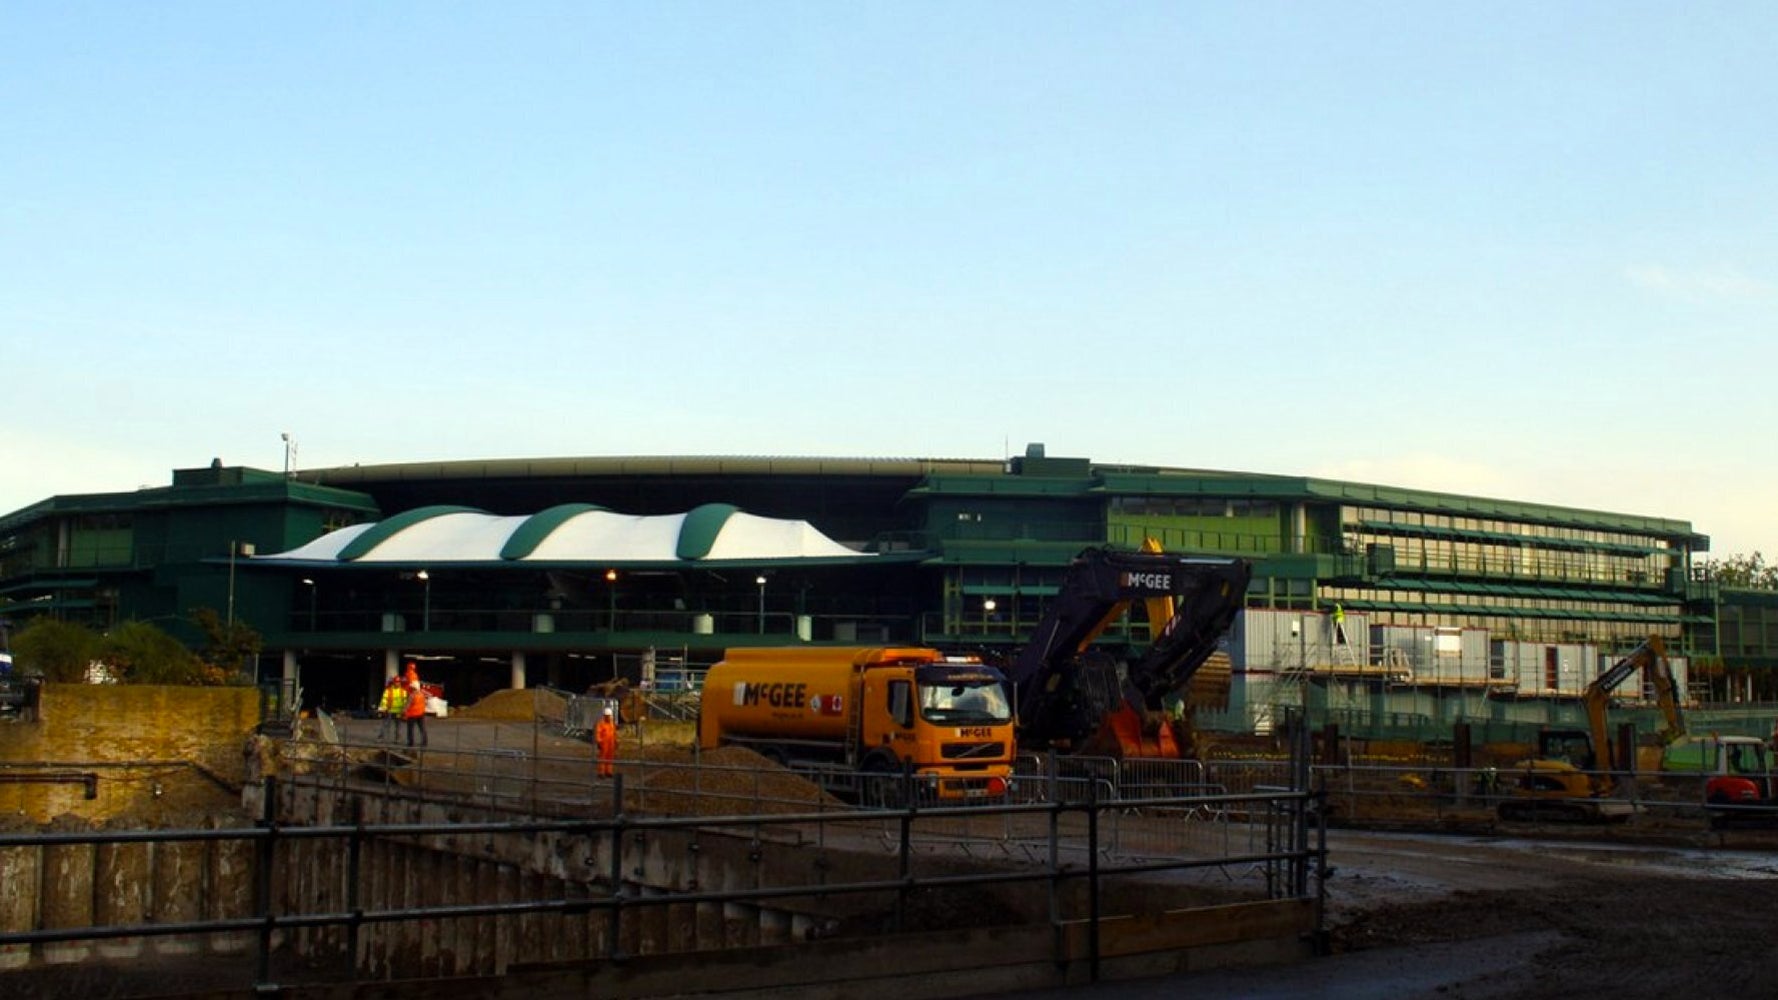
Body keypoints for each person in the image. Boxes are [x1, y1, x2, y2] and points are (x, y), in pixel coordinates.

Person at [376, 675, 406, 742]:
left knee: (398, 727)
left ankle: (397, 739)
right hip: (389, 710)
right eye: (396, 682)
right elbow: (384, 700)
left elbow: (405, 702)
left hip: (398, 711)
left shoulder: (403, 691)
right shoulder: (388, 691)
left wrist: (404, 711)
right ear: (393, 682)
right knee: (385, 725)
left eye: (398, 682)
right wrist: (382, 709)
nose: (397, 683)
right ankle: (380, 738)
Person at [404, 672, 429, 748]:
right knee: (422, 728)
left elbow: (407, 705)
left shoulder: (412, 695)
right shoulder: (422, 694)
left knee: (410, 729)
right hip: (421, 714)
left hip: (412, 715)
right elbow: (426, 702)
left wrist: (403, 711)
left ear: (414, 687)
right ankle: (424, 742)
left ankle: (410, 743)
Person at [594, 705, 618, 778]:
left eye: (609, 715)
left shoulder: (612, 723)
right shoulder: (601, 723)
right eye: (607, 715)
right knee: (602, 758)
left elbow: (614, 733)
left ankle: (609, 771)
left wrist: (616, 741)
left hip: (611, 743)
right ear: (604, 715)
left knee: (610, 758)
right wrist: (599, 742)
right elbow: (598, 733)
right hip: (604, 743)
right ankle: (601, 772)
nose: (608, 717)